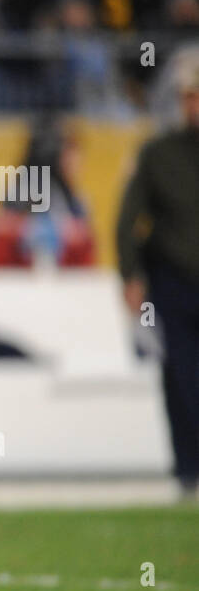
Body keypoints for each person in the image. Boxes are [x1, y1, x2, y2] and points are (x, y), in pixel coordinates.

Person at [117, 61, 199, 500]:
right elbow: (130, 217)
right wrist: (130, 273)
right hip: (173, 280)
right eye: (191, 98)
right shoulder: (159, 154)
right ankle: (187, 467)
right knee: (181, 372)